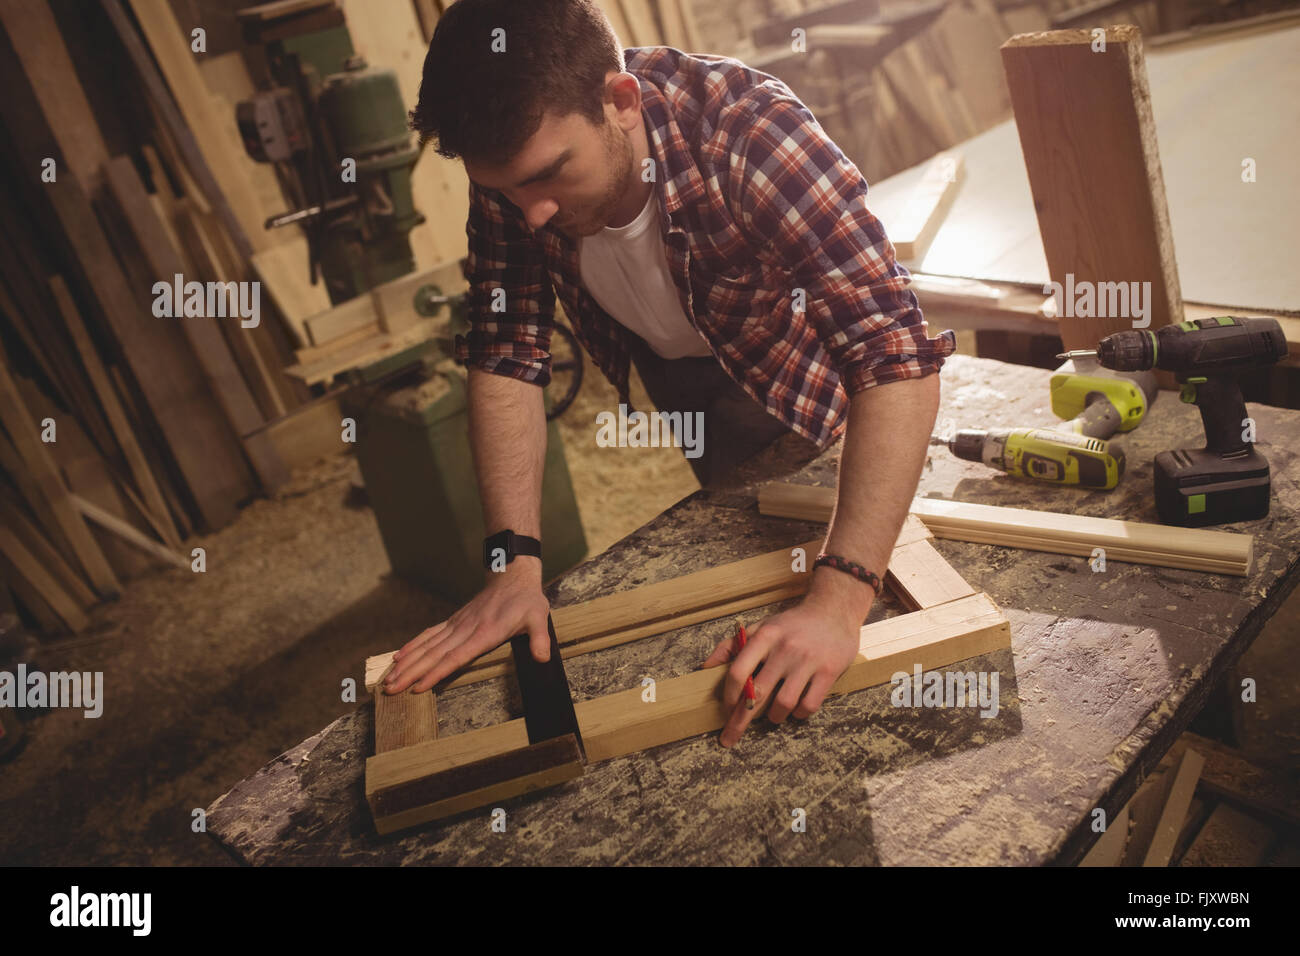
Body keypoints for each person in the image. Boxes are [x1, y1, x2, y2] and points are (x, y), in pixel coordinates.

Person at [383, 0, 955, 747]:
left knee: (853, 598)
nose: (531, 214)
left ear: (620, 102)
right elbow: (504, 353)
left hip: (811, 379)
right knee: (730, 541)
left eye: (552, 175)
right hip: (680, 372)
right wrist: (515, 567)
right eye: (506, 190)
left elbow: (893, 356)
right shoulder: (521, 174)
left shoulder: (752, 133)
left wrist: (840, 600)